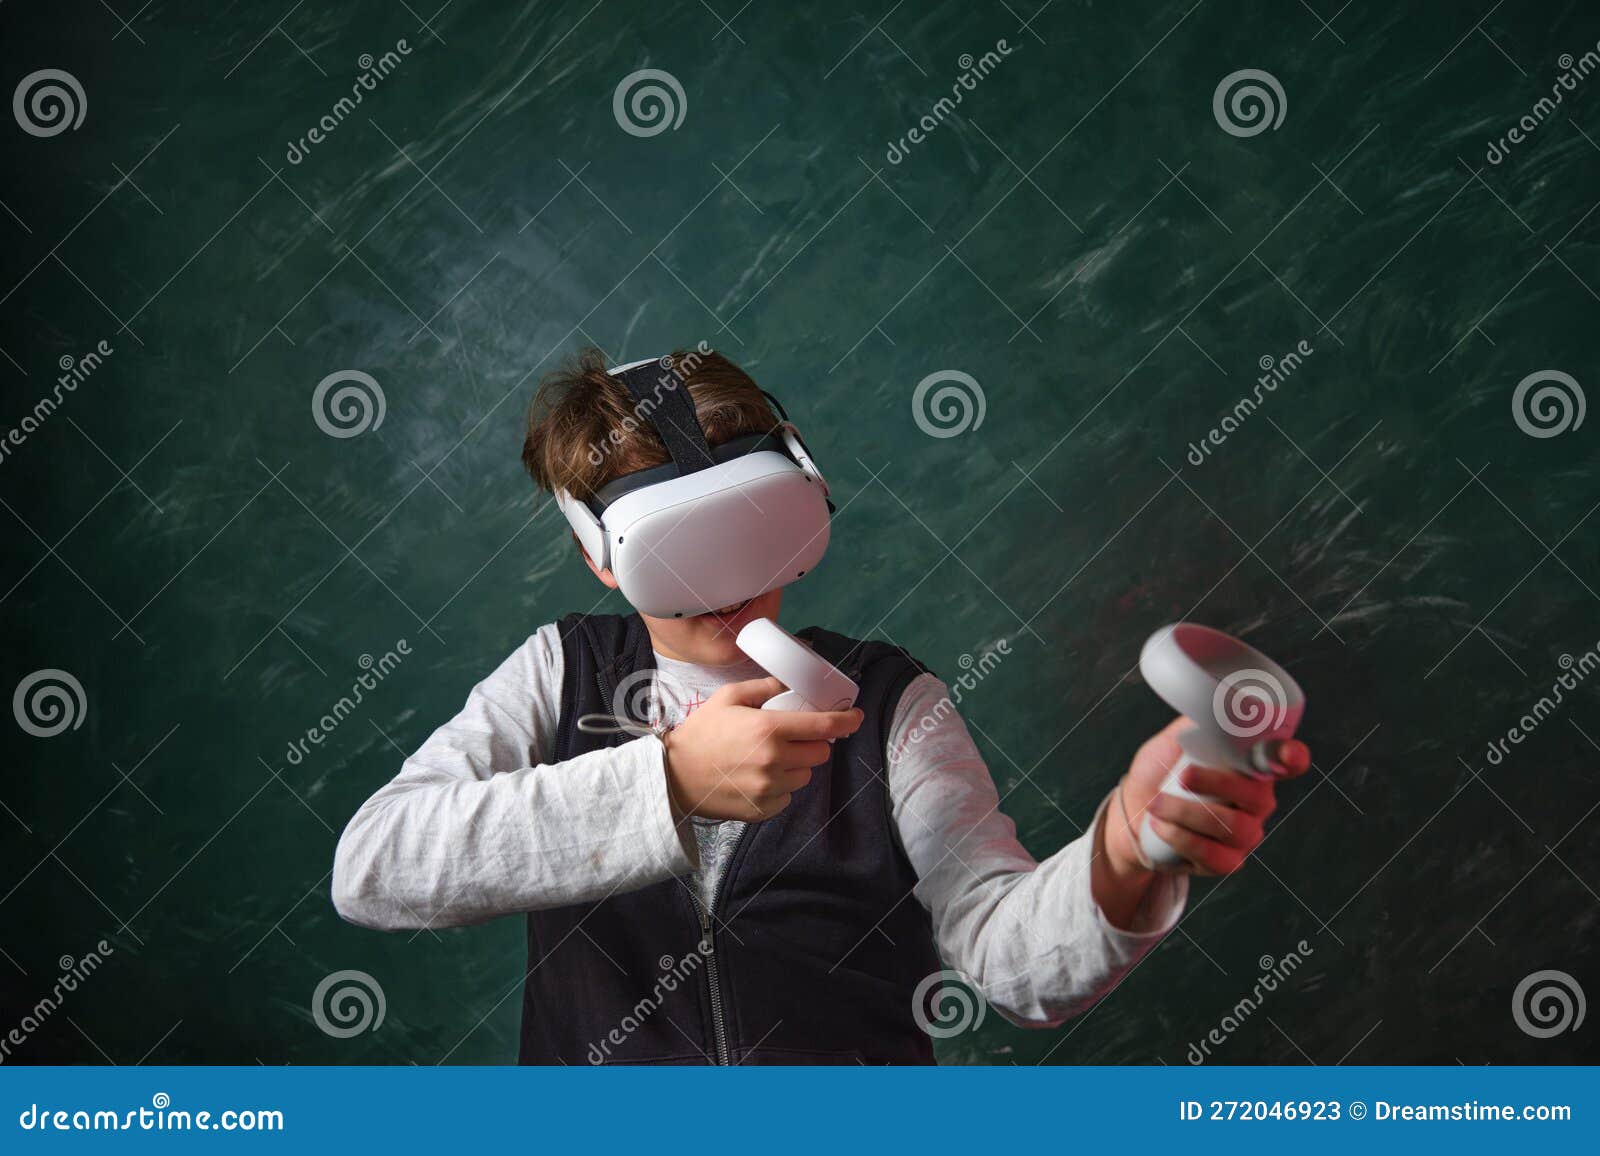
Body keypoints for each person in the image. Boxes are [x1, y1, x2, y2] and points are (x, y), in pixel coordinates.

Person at [331, 346, 1310, 1064]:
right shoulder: (556, 675)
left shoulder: (893, 708)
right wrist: (665, 784)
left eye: (749, 523)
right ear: (597, 550)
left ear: (801, 490)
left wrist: (1125, 849)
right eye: (680, 544)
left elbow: (1012, 964)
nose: (725, 582)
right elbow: (373, 867)